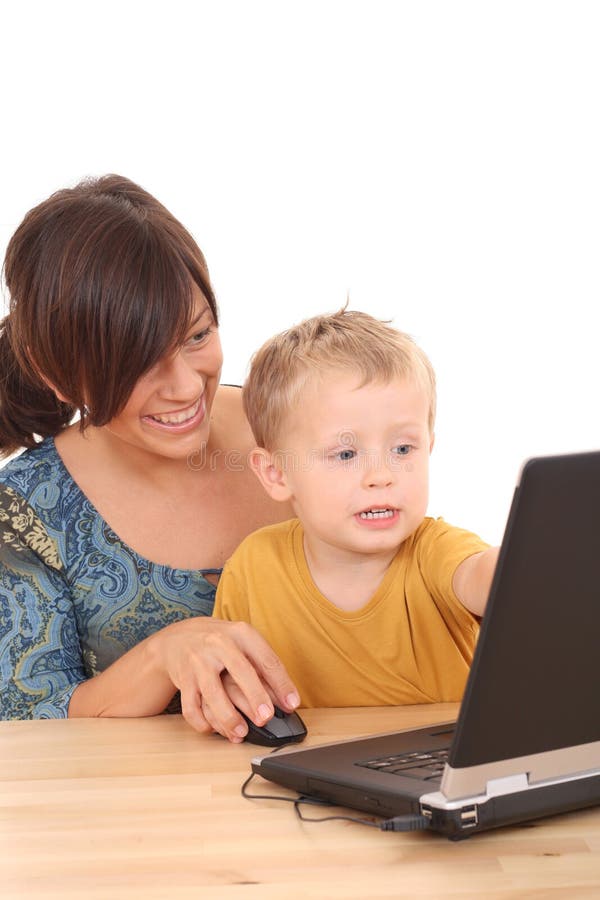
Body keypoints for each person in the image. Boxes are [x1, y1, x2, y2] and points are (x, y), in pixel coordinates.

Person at [0, 174, 301, 741]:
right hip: (146, 822)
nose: (186, 388)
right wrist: (163, 655)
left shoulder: (296, 428)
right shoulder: (25, 511)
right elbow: (21, 723)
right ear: (54, 374)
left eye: (196, 336)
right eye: (141, 361)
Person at [214, 309, 500, 706]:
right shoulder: (252, 568)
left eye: (403, 449)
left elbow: (484, 576)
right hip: (302, 765)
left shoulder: (436, 550)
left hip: (435, 763)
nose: (381, 475)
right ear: (277, 473)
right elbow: (231, 675)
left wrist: (524, 562)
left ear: (428, 449)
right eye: (346, 453)